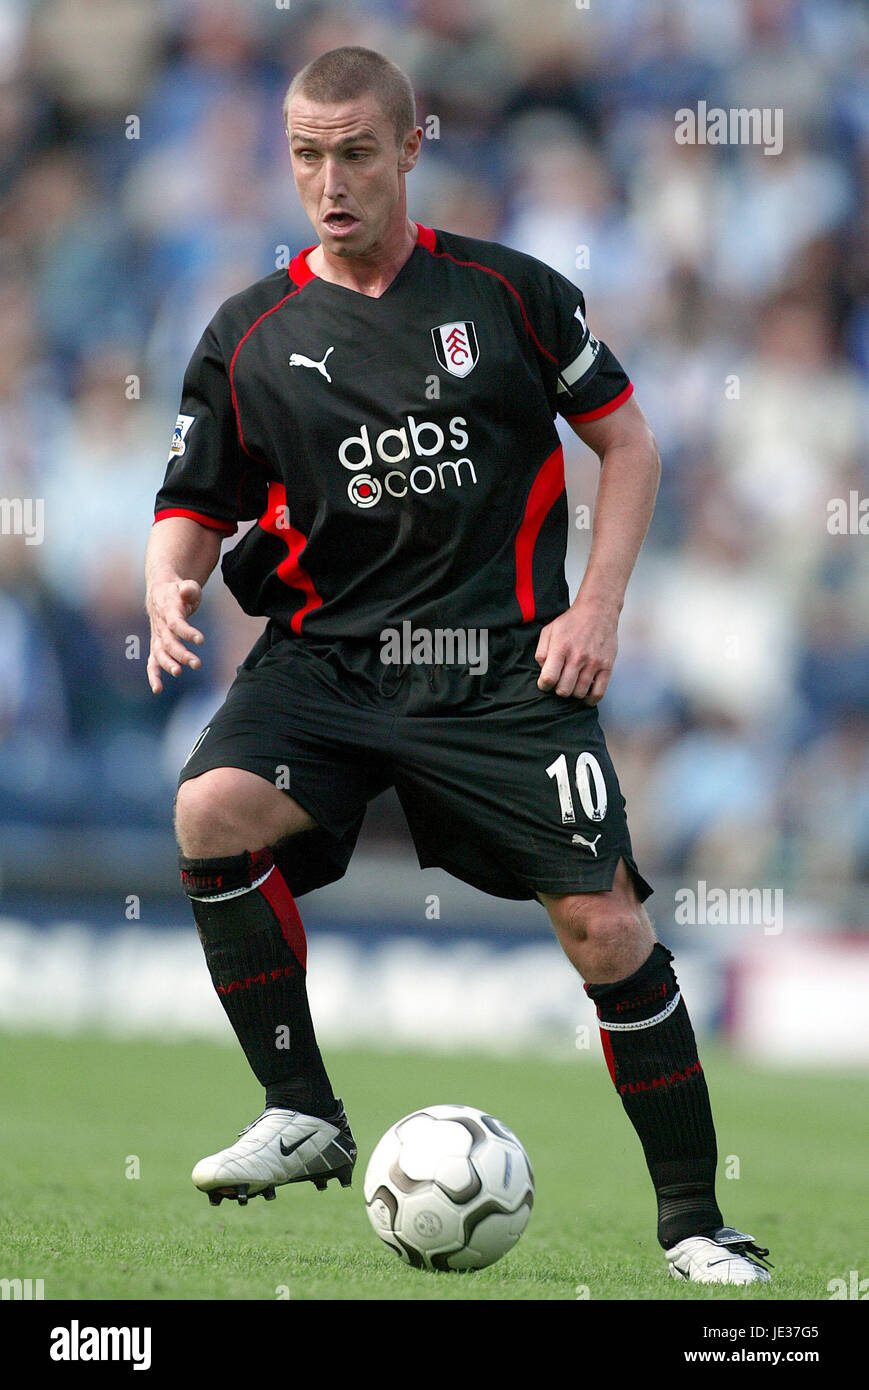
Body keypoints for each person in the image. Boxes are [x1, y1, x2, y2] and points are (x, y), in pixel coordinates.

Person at [145, 46, 770, 1285]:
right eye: (307, 155)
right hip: (328, 662)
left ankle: (695, 1223)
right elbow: (195, 497)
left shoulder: (510, 294)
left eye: (356, 154)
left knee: (604, 928)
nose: (330, 181)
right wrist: (171, 573)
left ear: (411, 146)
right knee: (208, 810)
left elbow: (629, 444)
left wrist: (594, 608)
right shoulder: (247, 333)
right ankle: (303, 1109)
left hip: (499, 672)